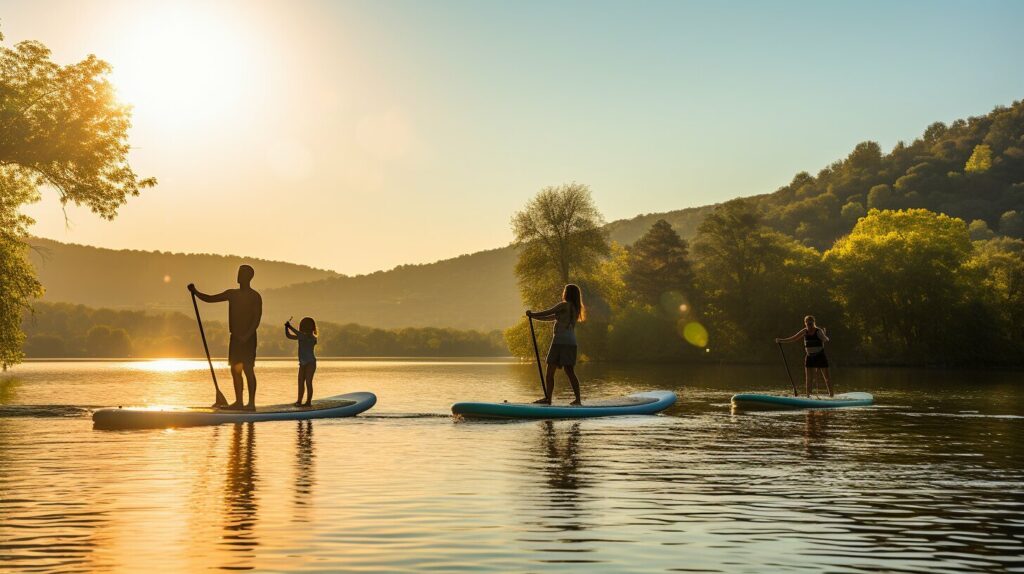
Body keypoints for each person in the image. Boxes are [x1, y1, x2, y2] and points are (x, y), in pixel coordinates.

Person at [189, 265, 262, 410]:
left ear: (248, 277)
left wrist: (246, 335)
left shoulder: (255, 296)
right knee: (235, 370)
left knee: (248, 369)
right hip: (235, 338)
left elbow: (257, 318)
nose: (238, 276)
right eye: (238, 273)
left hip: (248, 339)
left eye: (241, 273)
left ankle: (251, 404)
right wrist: (195, 292)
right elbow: (210, 299)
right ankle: (239, 402)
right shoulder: (232, 294)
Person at [526, 284, 585, 405]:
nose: (563, 292)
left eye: (564, 291)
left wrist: (532, 314)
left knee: (550, 372)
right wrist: (533, 317)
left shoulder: (563, 305)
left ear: (567, 293)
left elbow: (548, 312)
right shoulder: (576, 308)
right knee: (570, 372)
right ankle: (578, 399)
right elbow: (550, 317)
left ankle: (548, 399)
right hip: (571, 343)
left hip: (559, 342)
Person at [775, 315, 833, 397]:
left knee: (826, 378)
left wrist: (823, 335)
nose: (809, 326)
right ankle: (808, 396)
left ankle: (831, 395)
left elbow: (826, 340)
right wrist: (781, 340)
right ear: (805, 323)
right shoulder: (804, 331)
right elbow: (793, 338)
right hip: (809, 357)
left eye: (811, 324)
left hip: (820, 356)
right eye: (808, 324)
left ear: (814, 323)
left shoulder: (818, 331)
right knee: (808, 379)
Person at [285, 317, 318, 407]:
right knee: (300, 382)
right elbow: (289, 336)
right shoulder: (301, 336)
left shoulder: (311, 337)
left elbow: (297, 334)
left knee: (308, 382)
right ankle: (299, 401)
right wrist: (286, 328)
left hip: (310, 363)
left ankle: (308, 402)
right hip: (302, 363)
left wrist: (289, 326)